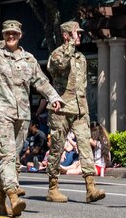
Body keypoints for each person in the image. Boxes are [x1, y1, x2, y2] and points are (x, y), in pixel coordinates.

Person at [0, 0, 60, 218]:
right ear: (3, 35)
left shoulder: (28, 59)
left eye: (14, 34)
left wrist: (54, 97)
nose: (10, 36)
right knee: (9, 155)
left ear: (20, 36)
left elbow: (40, 81)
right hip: (0, 112)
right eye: (7, 33)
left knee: (13, 158)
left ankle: (0, 201)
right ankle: (13, 196)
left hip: (22, 116)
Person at [43, 19, 105, 204]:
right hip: (61, 109)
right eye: (77, 33)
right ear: (66, 35)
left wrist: (85, 110)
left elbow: (83, 86)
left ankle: (90, 187)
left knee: (85, 146)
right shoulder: (57, 54)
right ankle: (53, 188)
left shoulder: (81, 58)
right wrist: (69, 46)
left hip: (79, 110)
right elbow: (58, 67)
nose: (80, 36)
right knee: (57, 147)